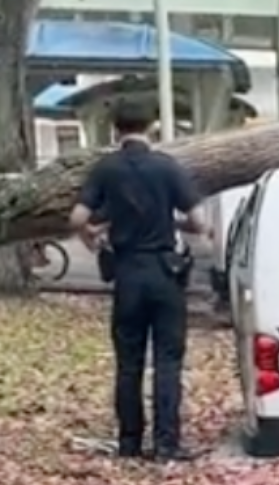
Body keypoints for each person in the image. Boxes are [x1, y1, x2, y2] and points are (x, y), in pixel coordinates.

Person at [69, 99, 207, 461]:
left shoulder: (106, 169)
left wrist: (93, 237)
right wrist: (171, 223)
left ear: (116, 130)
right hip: (164, 272)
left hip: (128, 274)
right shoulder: (167, 167)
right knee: (167, 360)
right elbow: (200, 221)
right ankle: (166, 444)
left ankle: (130, 442)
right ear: (152, 127)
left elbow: (77, 217)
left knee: (128, 362)